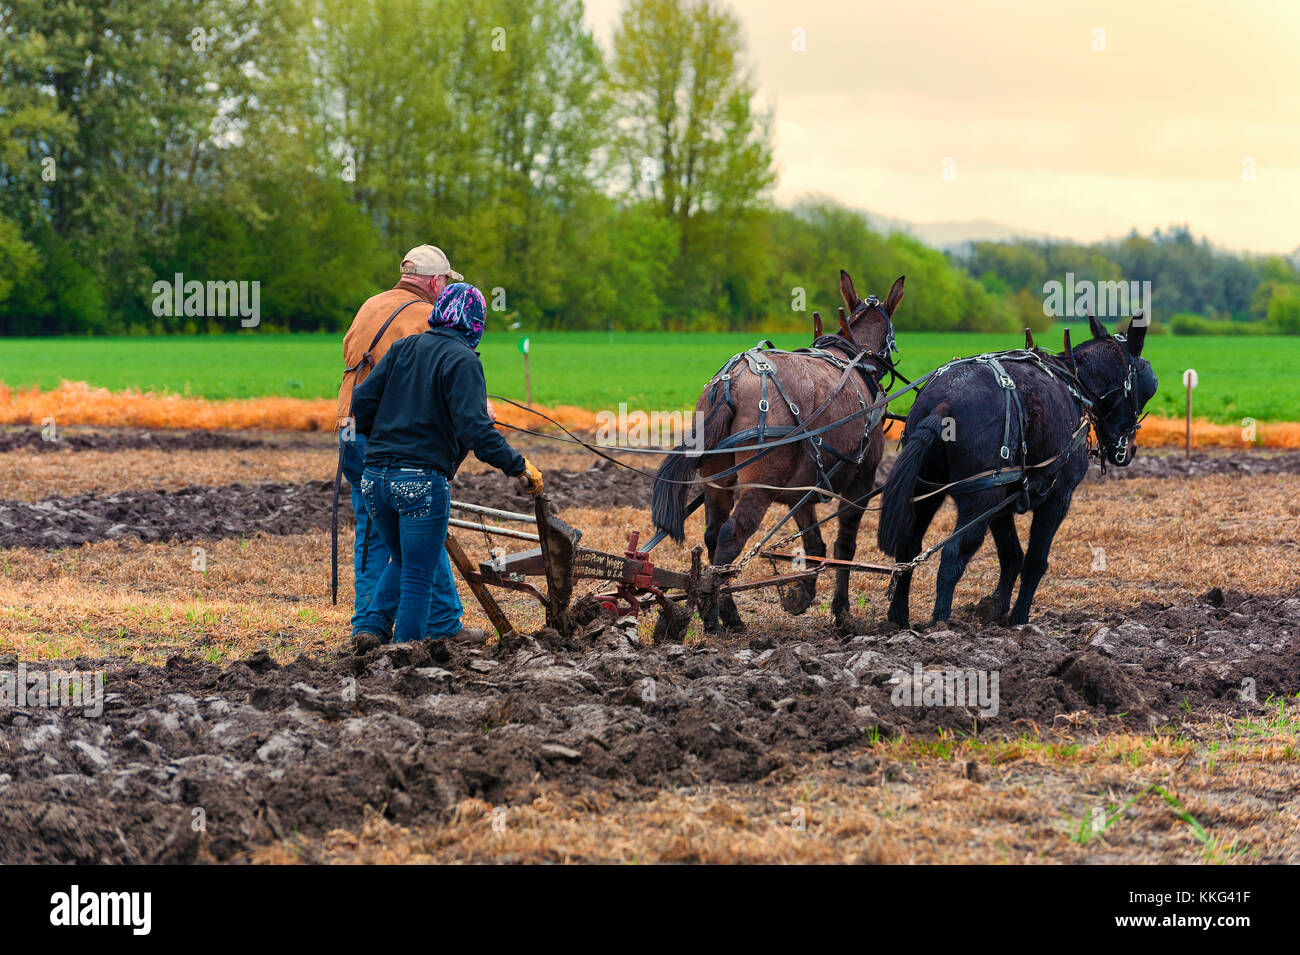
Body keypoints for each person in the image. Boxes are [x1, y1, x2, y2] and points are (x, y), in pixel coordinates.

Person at [350, 283, 543, 644]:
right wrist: (520, 467)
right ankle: (404, 653)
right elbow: (477, 433)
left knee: (402, 559)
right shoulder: (463, 360)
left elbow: (360, 403)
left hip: (374, 478)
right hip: (420, 484)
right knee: (418, 576)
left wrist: (392, 430)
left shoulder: (403, 348)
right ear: (475, 323)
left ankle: (370, 629)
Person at [334, 245, 461, 636]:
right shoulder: (426, 316)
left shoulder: (370, 305)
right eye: (444, 284)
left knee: (372, 532)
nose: (444, 293)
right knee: (422, 524)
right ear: (435, 281)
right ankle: (437, 624)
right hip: (393, 437)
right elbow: (437, 376)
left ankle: (370, 626)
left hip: (350, 427)